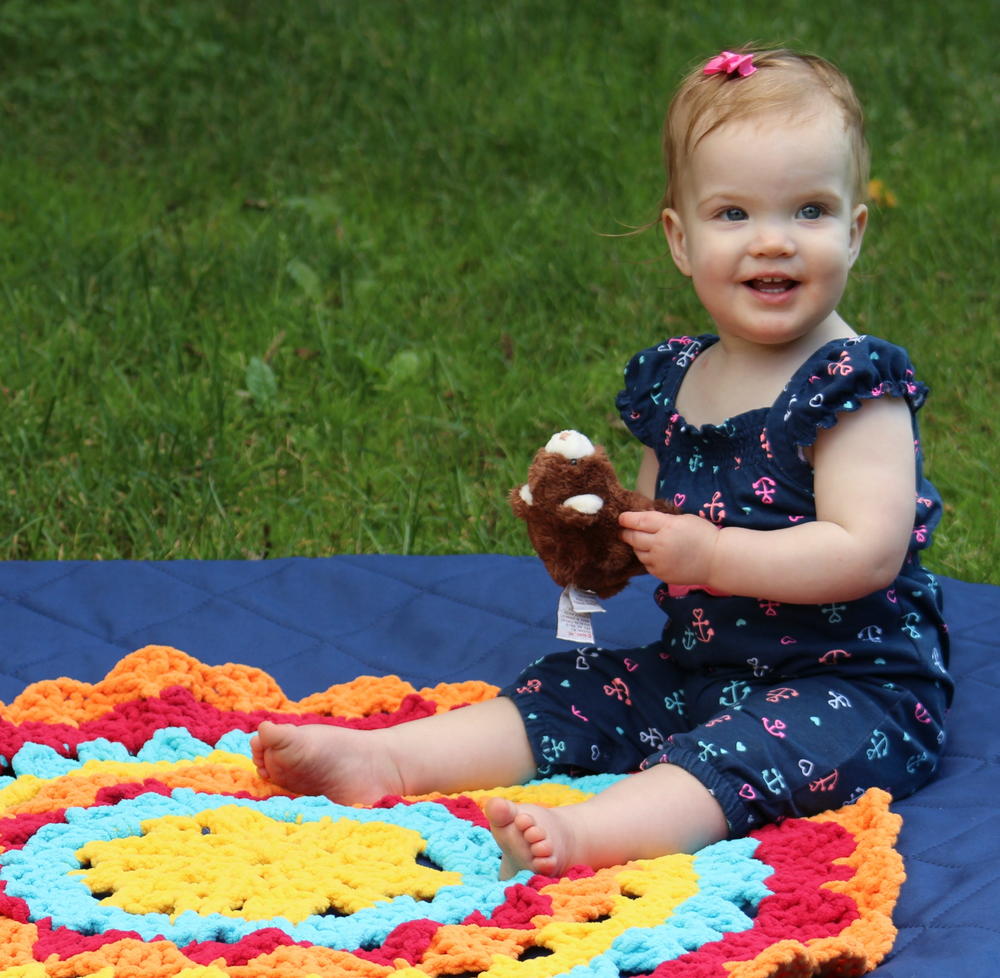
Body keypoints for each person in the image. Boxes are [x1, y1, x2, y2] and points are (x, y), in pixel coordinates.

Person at [251, 47, 952, 880]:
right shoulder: (678, 378)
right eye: (733, 215)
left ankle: (590, 835)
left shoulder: (853, 386)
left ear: (854, 231)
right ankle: (392, 761)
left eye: (809, 211)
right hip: (700, 665)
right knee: (577, 684)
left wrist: (716, 557)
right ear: (680, 239)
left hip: (851, 684)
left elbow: (866, 550)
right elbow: (657, 519)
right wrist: (598, 538)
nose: (773, 243)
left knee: (742, 751)